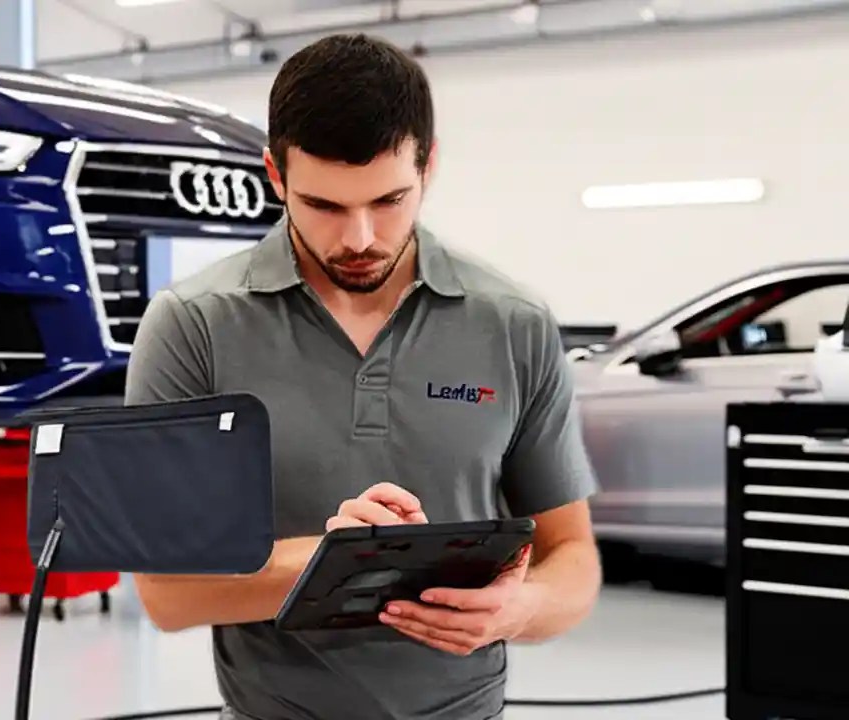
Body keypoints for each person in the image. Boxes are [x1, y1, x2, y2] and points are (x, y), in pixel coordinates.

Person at [124, 33, 602, 720]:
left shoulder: (514, 324)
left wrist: (521, 607)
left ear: (429, 167)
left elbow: (572, 557)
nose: (359, 237)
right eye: (323, 206)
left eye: (389, 201)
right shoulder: (192, 326)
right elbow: (169, 594)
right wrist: (342, 557)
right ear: (274, 175)